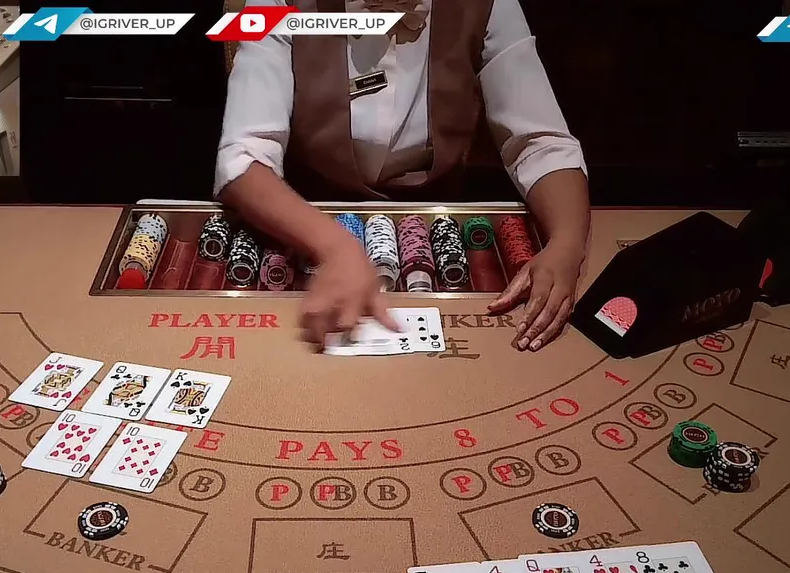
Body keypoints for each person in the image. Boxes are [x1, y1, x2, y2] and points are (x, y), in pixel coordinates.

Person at [215, 0, 590, 351]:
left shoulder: (488, 4)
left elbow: (540, 143)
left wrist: (567, 242)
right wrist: (336, 246)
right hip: (305, 219)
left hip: (432, 223)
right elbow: (242, 157)